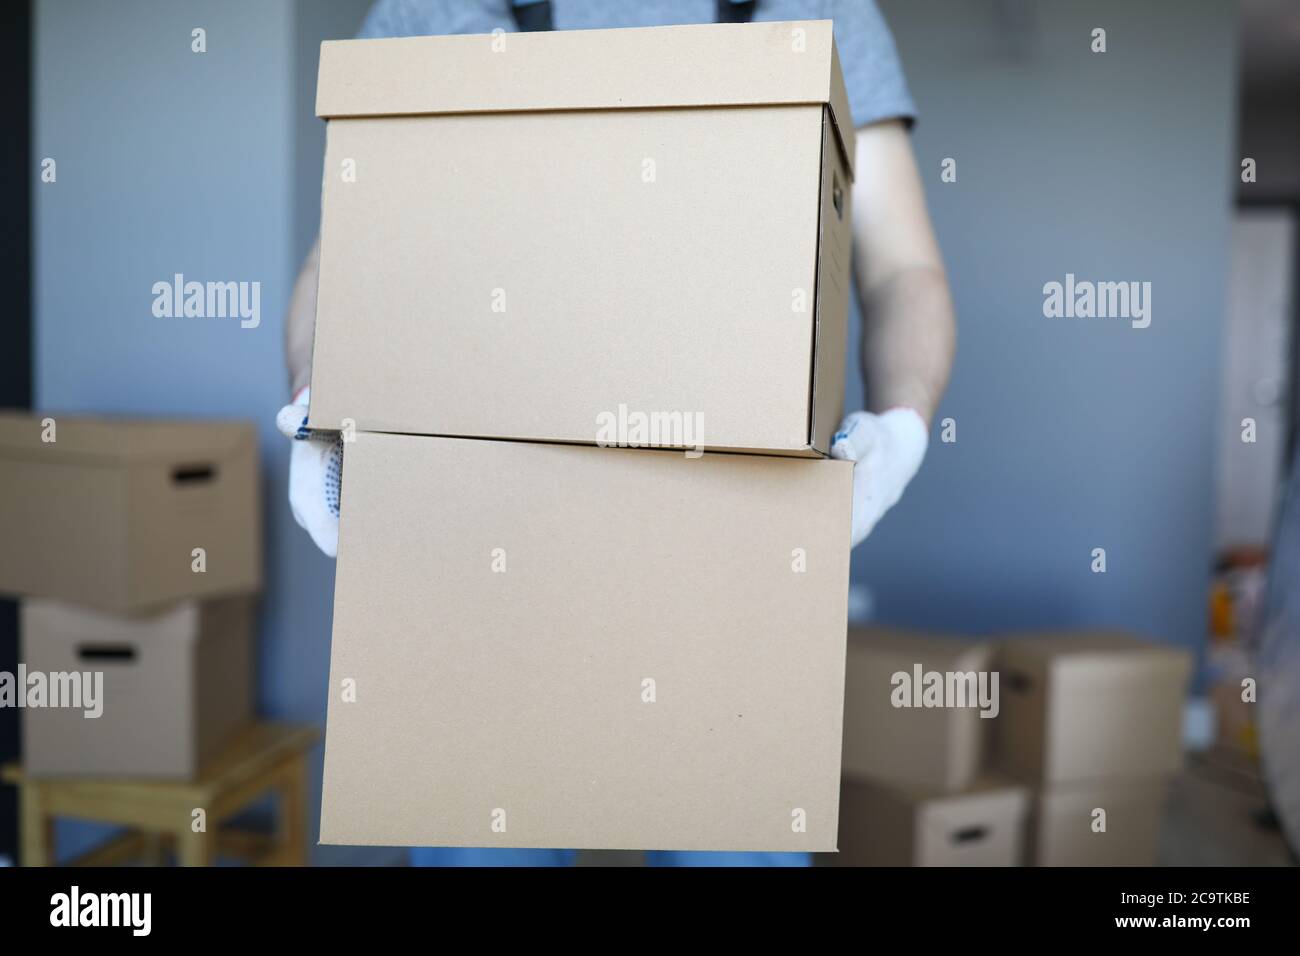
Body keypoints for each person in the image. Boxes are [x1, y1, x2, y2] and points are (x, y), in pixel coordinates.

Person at [277, 0, 956, 867]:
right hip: (473, 549)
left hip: (733, 548)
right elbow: (336, 257)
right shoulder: (436, 10)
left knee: (735, 849)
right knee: (480, 846)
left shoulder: (809, 13)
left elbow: (903, 266)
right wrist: (313, 405)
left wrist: (901, 428)